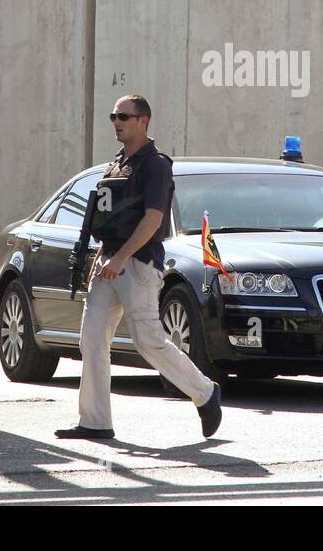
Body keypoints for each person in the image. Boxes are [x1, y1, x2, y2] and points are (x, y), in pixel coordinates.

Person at [55, 94, 222, 441]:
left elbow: (153, 220)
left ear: (143, 120)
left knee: (148, 340)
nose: (117, 122)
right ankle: (95, 421)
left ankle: (205, 393)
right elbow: (112, 217)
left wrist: (120, 259)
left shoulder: (156, 164)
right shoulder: (116, 165)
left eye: (124, 116)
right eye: (113, 116)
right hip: (109, 263)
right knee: (92, 340)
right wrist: (102, 257)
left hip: (139, 263)